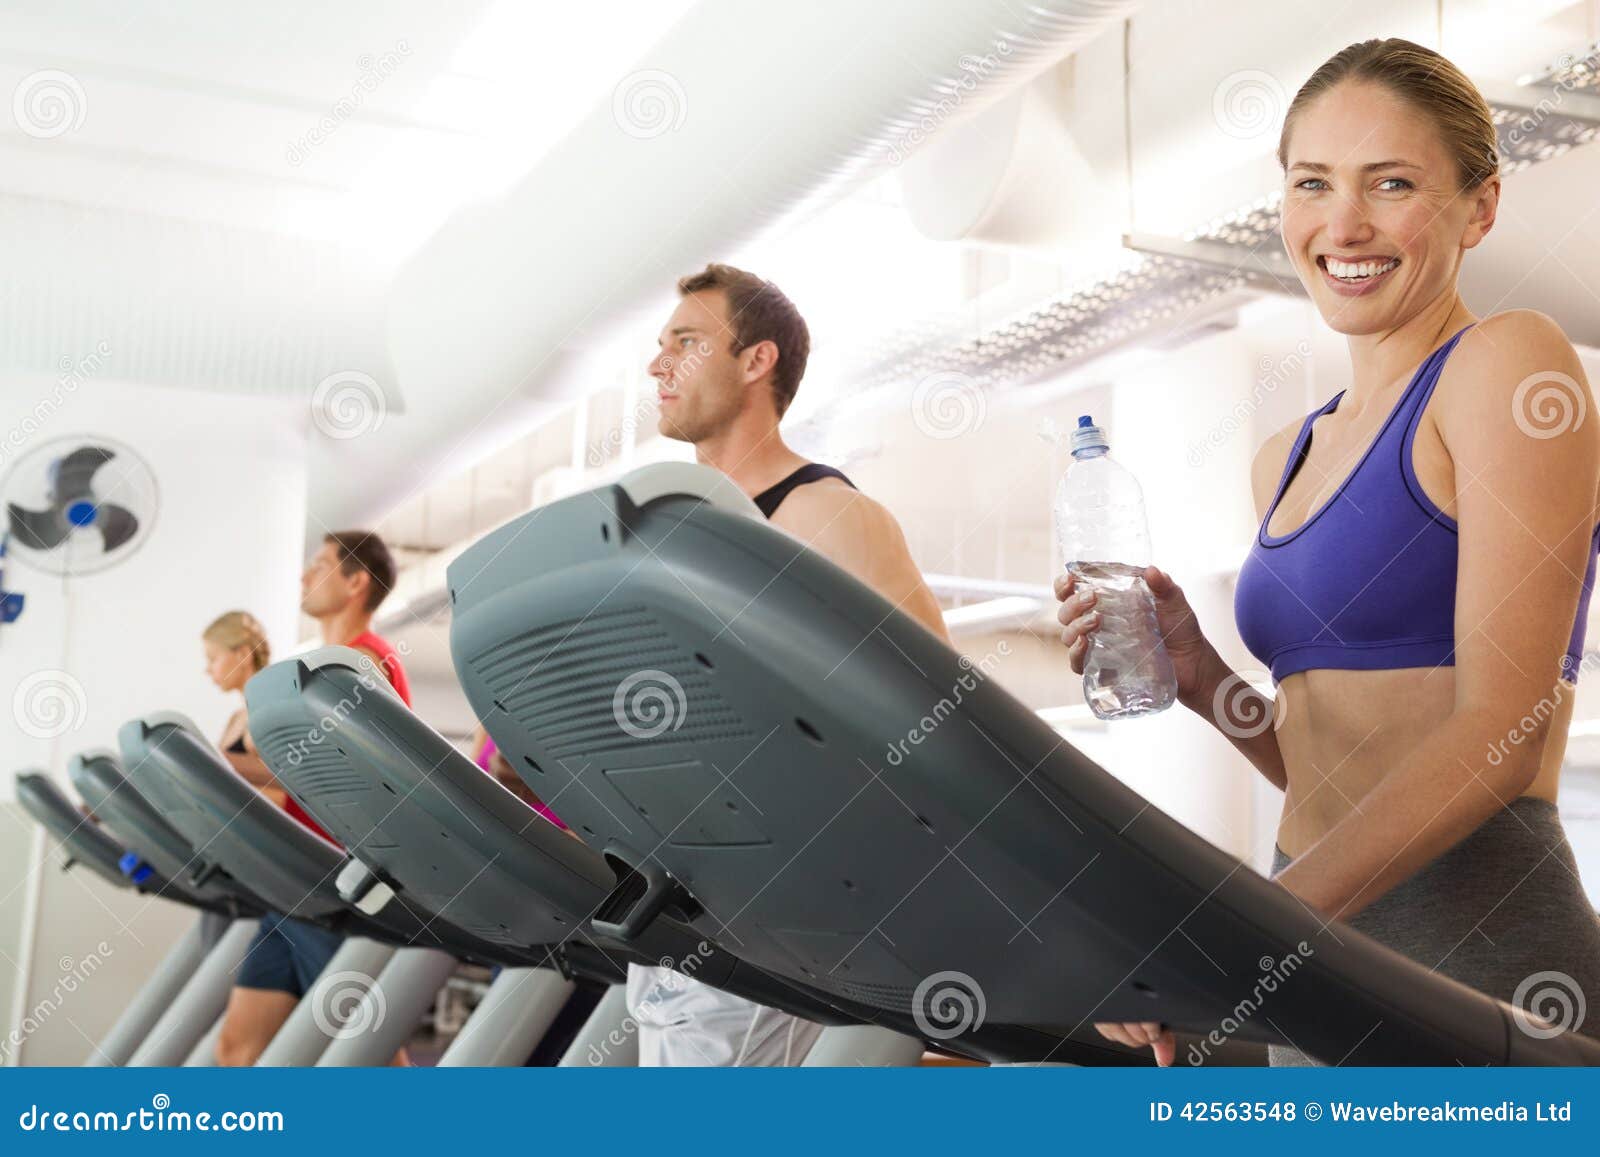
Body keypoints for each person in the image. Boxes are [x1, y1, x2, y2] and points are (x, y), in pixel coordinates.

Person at [1058, 38, 1600, 1066]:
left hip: (1474, 938)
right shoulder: (1282, 456)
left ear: (1478, 208)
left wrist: (1233, 939)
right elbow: (1323, 760)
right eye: (1311, 183)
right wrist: (1199, 673)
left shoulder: (1504, 366)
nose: (1341, 225)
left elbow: (1501, 734)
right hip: (1315, 935)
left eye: (1390, 184)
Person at [620, 262, 951, 1066]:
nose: (658, 364)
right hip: (676, 898)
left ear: (756, 360)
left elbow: (943, 723)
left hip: (774, 909)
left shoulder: (826, 515)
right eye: (660, 345)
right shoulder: (670, 535)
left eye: (687, 342)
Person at [215, 530, 415, 1067]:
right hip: (296, 880)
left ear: (356, 583)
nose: (305, 575)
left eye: (320, 565)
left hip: (340, 883)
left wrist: (231, 761)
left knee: (368, 1052)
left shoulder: (364, 665)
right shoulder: (319, 666)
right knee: (238, 1050)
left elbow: (360, 775)